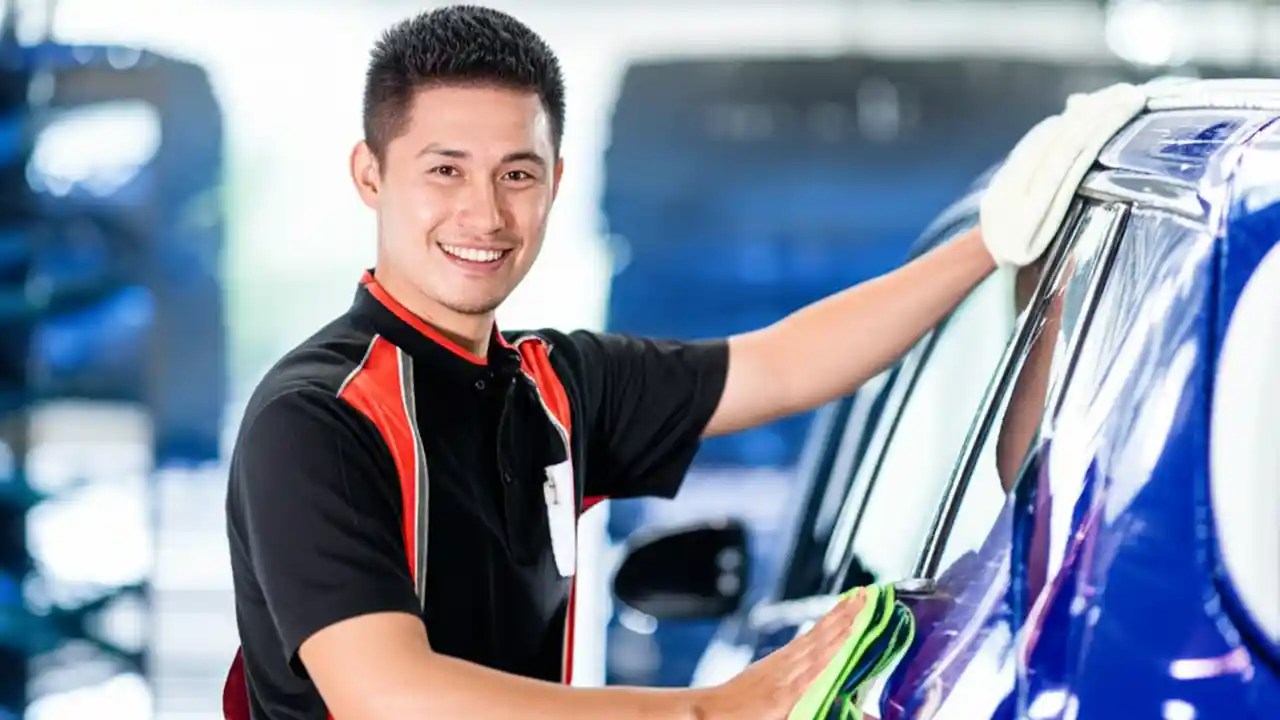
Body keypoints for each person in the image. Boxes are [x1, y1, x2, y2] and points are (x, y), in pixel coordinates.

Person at [222, 5, 1148, 719]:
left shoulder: (554, 385)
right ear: (370, 175)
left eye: (517, 173)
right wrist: (711, 706)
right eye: (445, 170)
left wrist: (994, 238)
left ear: (555, 181)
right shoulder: (317, 418)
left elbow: (782, 366)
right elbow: (387, 695)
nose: (486, 215)